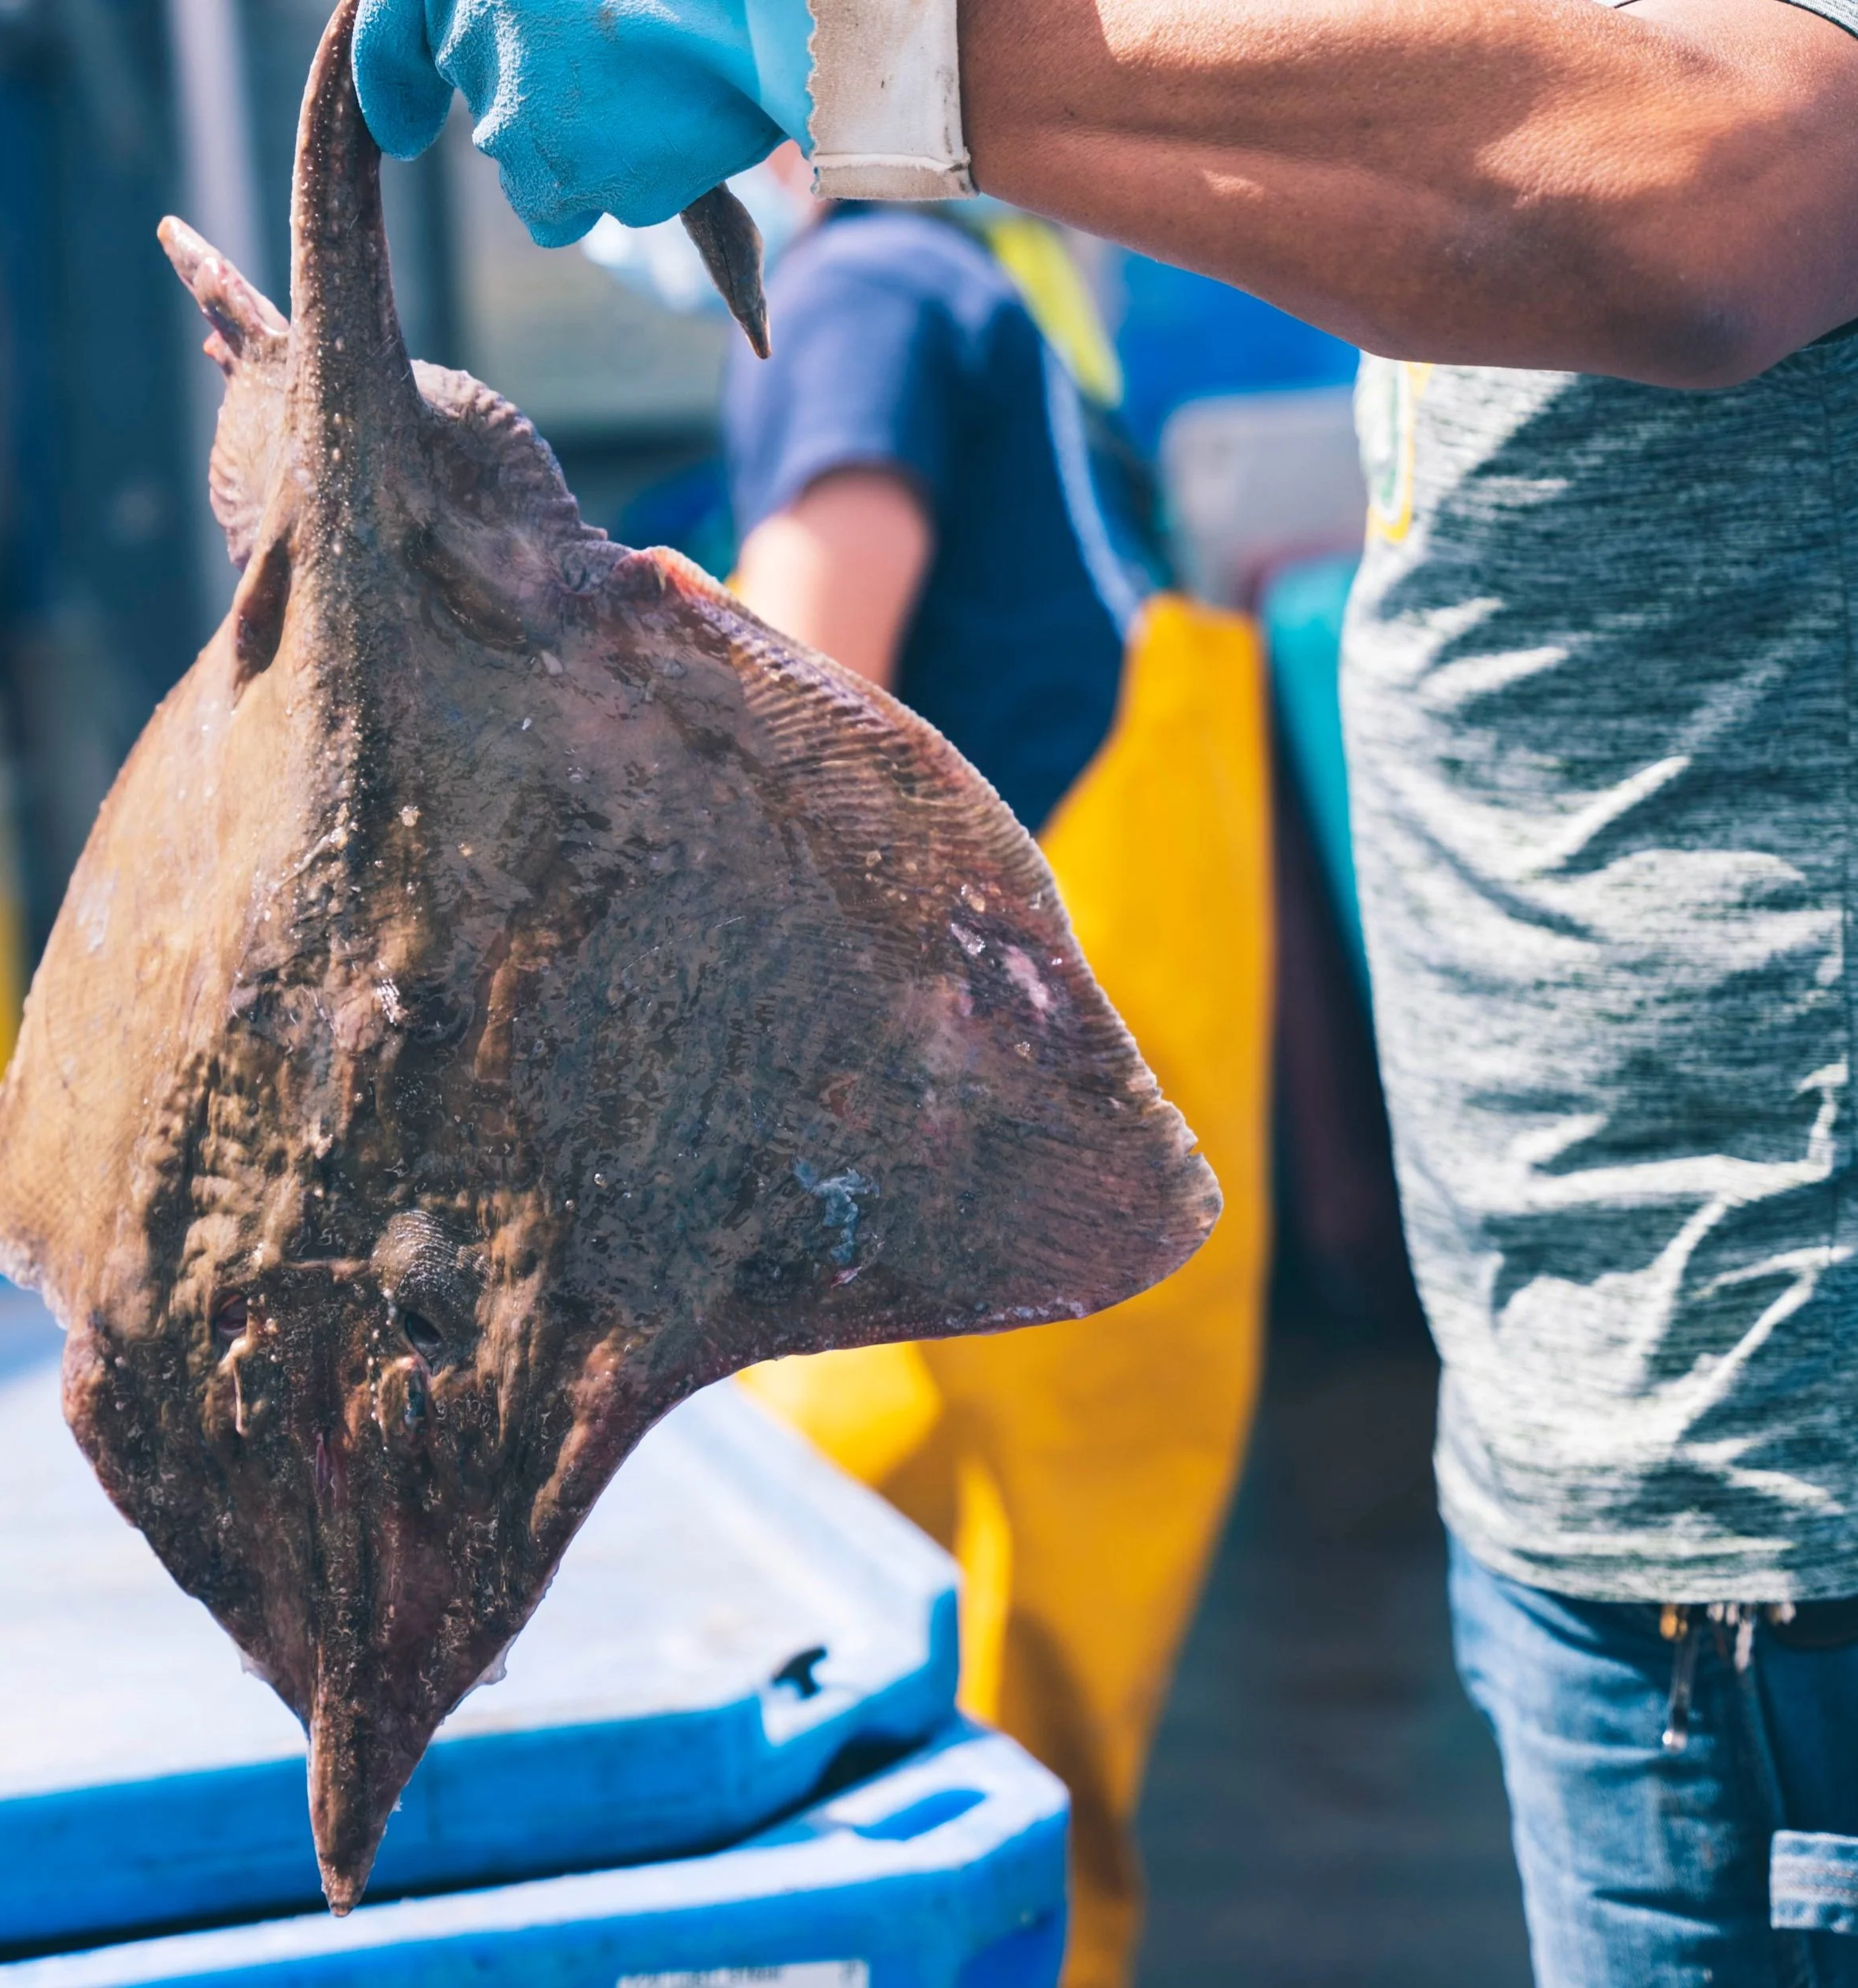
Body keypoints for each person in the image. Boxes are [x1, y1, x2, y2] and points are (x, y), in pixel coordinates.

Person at [353, 1, 1858, 1981]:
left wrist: (827, 41)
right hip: (1577, 1404)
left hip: (1762, 1472)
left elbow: (1740, 171)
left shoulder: (869, 299)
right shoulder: (1000, 295)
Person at [717, 153, 1269, 1988]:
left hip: (978, 1112)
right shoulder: (989, 288)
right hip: (1103, 1080)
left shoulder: (862, 293)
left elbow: (794, 702)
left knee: (895, 1651)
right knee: (1049, 1689)